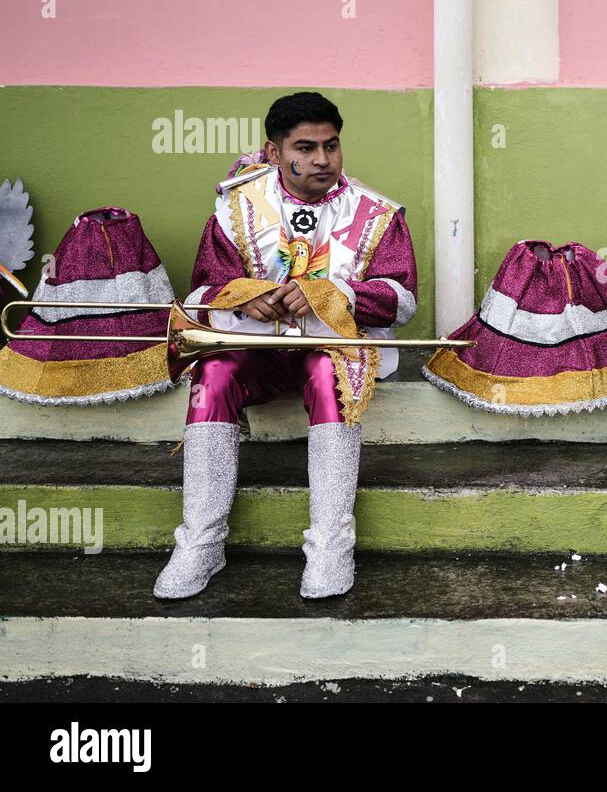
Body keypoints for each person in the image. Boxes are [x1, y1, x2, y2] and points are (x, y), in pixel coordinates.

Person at [154, 92, 418, 600]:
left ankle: (330, 548)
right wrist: (244, 296)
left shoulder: (378, 214)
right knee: (212, 378)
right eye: (306, 147)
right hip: (256, 352)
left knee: (326, 375)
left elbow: (402, 302)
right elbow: (203, 291)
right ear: (274, 153)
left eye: (331, 146)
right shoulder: (236, 206)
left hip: (331, 354)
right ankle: (201, 546)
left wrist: (333, 293)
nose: (322, 160)